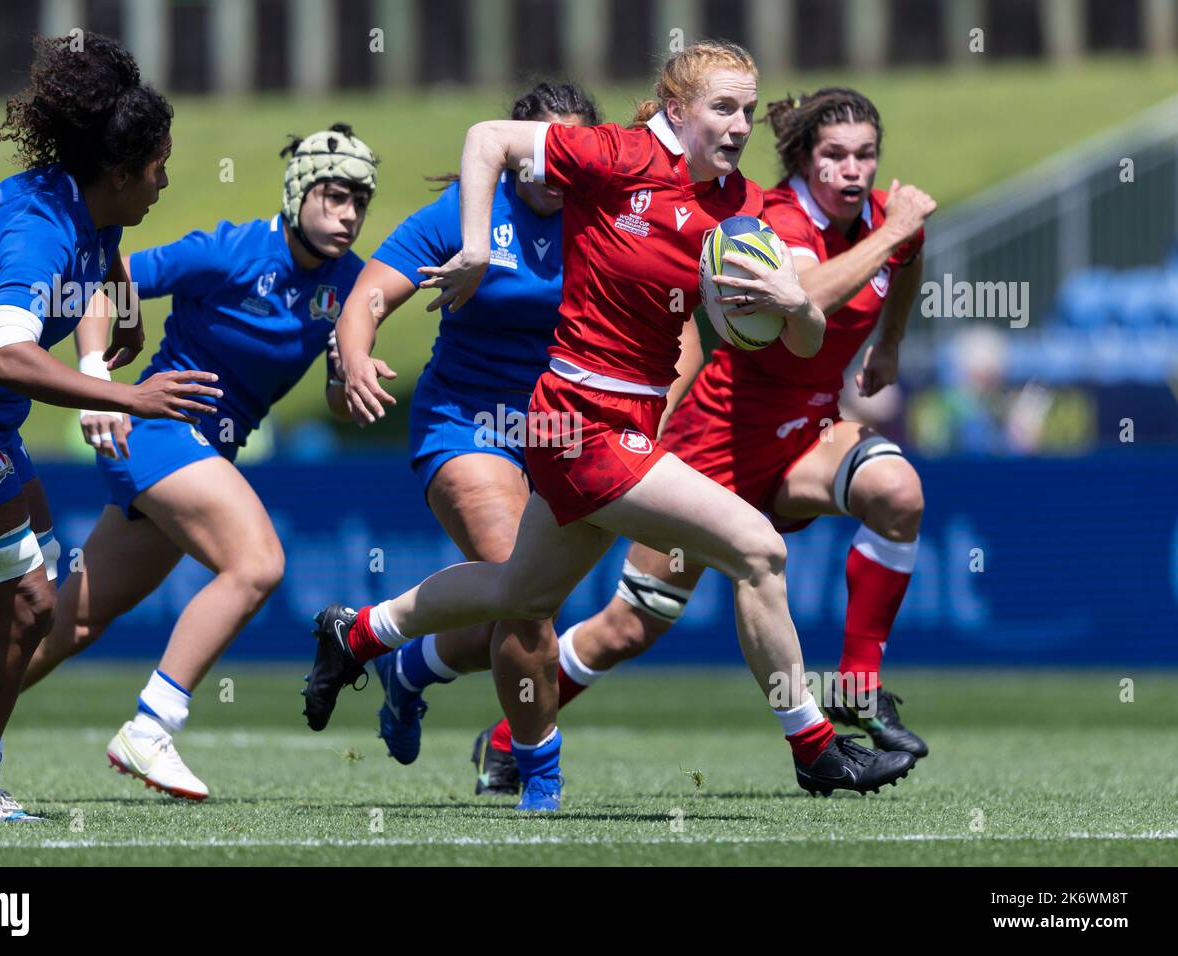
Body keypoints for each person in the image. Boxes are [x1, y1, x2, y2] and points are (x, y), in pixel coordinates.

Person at [303, 41, 915, 811]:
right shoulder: (613, 156)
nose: (737, 125)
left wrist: (796, 305)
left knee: (517, 594)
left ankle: (358, 632)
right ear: (676, 108)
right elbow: (485, 140)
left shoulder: (743, 208)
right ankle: (815, 749)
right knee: (757, 549)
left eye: (748, 112)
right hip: (576, 422)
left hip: (628, 423)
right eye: (721, 108)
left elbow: (801, 341)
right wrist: (469, 245)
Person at [468, 87, 939, 794]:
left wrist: (892, 344)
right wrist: (894, 234)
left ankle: (857, 688)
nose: (853, 171)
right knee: (627, 628)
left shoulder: (885, 224)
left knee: (897, 490)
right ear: (804, 162)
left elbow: (905, 264)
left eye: (866, 156)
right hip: (714, 443)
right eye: (835, 155)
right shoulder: (772, 217)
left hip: (805, 437)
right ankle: (506, 738)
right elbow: (808, 294)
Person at [0, 124, 376, 802]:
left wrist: (348, 375)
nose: (348, 214)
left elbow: (340, 397)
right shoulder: (232, 251)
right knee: (259, 563)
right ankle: (153, 726)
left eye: (360, 200)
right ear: (298, 195)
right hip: (158, 433)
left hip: (201, 454)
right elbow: (103, 279)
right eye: (333, 195)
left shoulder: (351, 285)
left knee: (64, 620)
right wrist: (99, 370)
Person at [0, 34, 220, 821]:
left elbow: (103, 271)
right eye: (158, 167)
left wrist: (107, 342)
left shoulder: (84, 208)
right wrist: (126, 397)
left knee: (29, 598)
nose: (165, 182)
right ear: (118, 172)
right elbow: (8, 355)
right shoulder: (44, 229)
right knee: (28, 608)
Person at [333, 83, 612, 769]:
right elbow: (368, 295)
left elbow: (677, 316)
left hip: (568, 432)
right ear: (512, 152)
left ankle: (407, 669)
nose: (552, 165)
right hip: (466, 422)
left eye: (568, 149)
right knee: (521, 593)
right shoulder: (465, 215)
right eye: (538, 148)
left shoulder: (613, 221)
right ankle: (532, 771)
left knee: (518, 599)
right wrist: (357, 357)